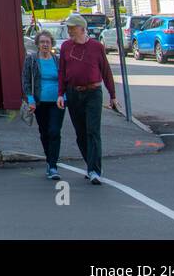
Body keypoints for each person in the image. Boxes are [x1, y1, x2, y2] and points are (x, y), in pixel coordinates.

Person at [57, 13, 119, 184]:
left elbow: (106, 71)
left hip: (93, 92)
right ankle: (90, 164)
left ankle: (94, 170)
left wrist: (112, 95)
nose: (69, 31)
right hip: (73, 93)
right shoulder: (66, 47)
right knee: (81, 133)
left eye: (72, 28)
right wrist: (60, 94)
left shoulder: (96, 47)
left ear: (82, 29)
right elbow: (62, 71)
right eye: (68, 28)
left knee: (93, 131)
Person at [22, 29, 64, 180]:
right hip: (39, 102)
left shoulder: (57, 60)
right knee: (45, 132)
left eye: (47, 42)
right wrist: (31, 100)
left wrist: (63, 96)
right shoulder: (31, 60)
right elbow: (26, 81)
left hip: (57, 102)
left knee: (54, 131)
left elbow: (64, 80)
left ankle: (53, 166)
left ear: (51, 43)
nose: (45, 45)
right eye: (42, 42)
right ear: (37, 44)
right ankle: (49, 159)